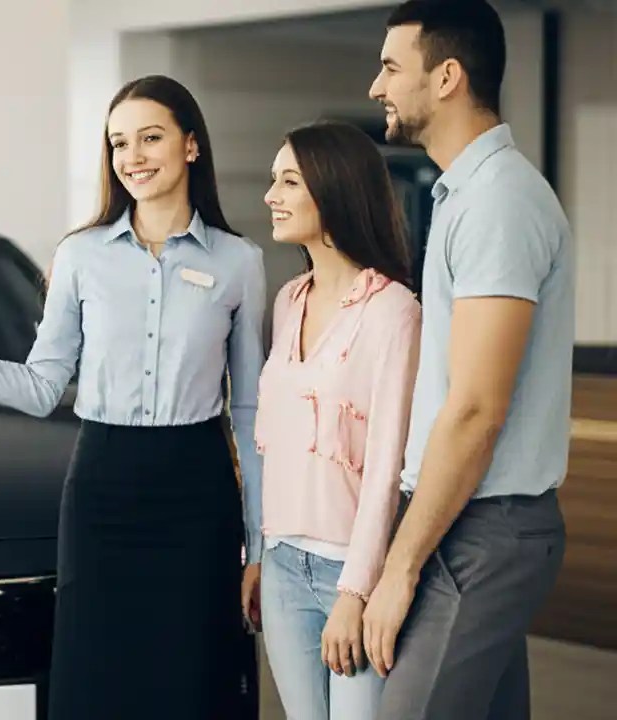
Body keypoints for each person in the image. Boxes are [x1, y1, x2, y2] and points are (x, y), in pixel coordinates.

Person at [0, 74, 266, 719]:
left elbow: (247, 411)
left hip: (199, 489)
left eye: (151, 137)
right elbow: (41, 386)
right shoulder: (81, 256)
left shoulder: (239, 262)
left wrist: (259, 545)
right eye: (118, 143)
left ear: (192, 146)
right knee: (98, 677)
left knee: (193, 679)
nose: (132, 156)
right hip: (103, 483)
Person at [363, 2, 574, 718]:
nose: (375, 87)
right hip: (467, 518)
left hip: (485, 527)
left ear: (447, 76)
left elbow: (479, 409)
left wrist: (399, 569)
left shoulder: (498, 202)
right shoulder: (466, 195)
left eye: (391, 67)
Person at [245, 119, 420, 720]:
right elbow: (272, 448)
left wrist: (357, 593)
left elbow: (387, 469)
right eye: (274, 180)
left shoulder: (394, 312)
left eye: (289, 181)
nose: (271, 195)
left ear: (335, 189)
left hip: (352, 572)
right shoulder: (289, 298)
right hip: (284, 566)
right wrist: (261, 556)